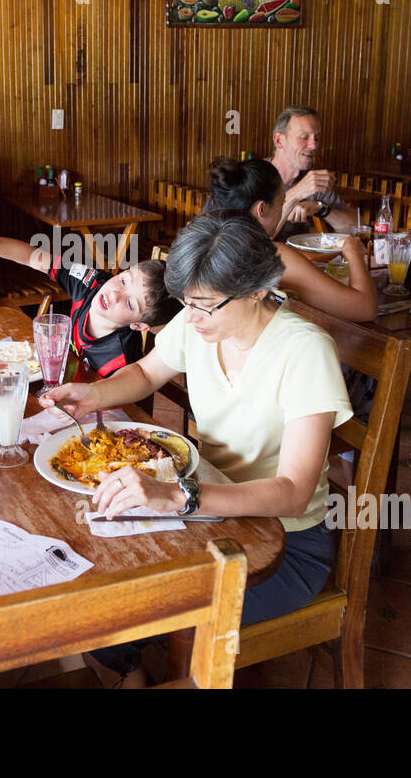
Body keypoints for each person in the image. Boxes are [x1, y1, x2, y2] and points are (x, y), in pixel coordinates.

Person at [41, 212, 352, 685]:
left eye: (205, 305)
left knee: (140, 606)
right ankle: (133, 668)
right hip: (206, 517)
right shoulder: (197, 322)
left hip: (284, 543)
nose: (190, 318)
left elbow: (292, 491)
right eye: (185, 302)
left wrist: (178, 496)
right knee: (95, 586)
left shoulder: (305, 352)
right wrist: (93, 395)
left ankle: (172, 672)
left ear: (257, 290)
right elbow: (146, 373)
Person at [0, 225, 180, 376]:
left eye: (130, 304)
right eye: (124, 281)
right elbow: (33, 257)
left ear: (137, 325)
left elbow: (119, 412)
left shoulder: (122, 359)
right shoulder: (90, 282)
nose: (115, 294)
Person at [204, 157, 378, 322]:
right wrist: (353, 253)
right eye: (282, 203)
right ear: (262, 209)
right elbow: (364, 309)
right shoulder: (270, 255)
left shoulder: (209, 242)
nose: (283, 211)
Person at [267, 106, 356, 238]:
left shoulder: (311, 180)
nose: (313, 145)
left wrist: (320, 208)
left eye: (317, 138)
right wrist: (297, 193)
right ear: (279, 140)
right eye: (304, 137)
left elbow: (354, 226)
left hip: (301, 257)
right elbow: (253, 241)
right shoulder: (254, 177)